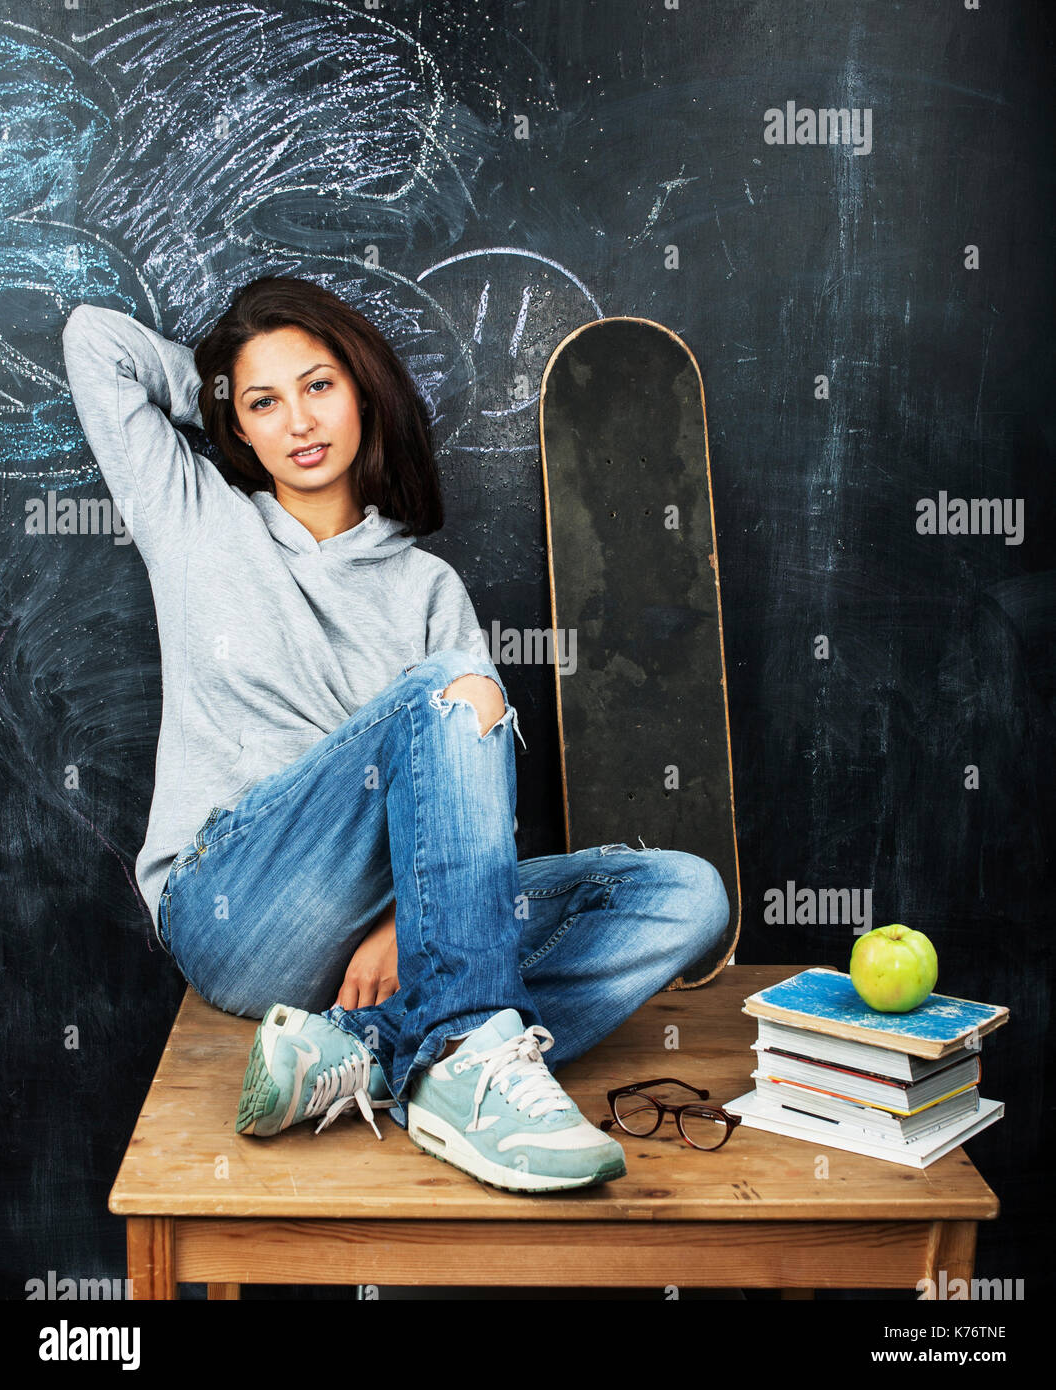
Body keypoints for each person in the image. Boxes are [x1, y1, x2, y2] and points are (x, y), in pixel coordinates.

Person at [61, 274, 731, 1195]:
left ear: (363, 392)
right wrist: (219, 396)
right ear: (238, 426)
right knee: (455, 687)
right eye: (265, 403)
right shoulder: (193, 517)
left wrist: (394, 926)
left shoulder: (427, 589)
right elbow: (93, 339)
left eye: (319, 386)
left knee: (687, 895)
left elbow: (473, 808)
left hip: (385, 945)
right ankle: (461, 1058)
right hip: (234, 908)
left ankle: (358, 1053)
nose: (299, 422)